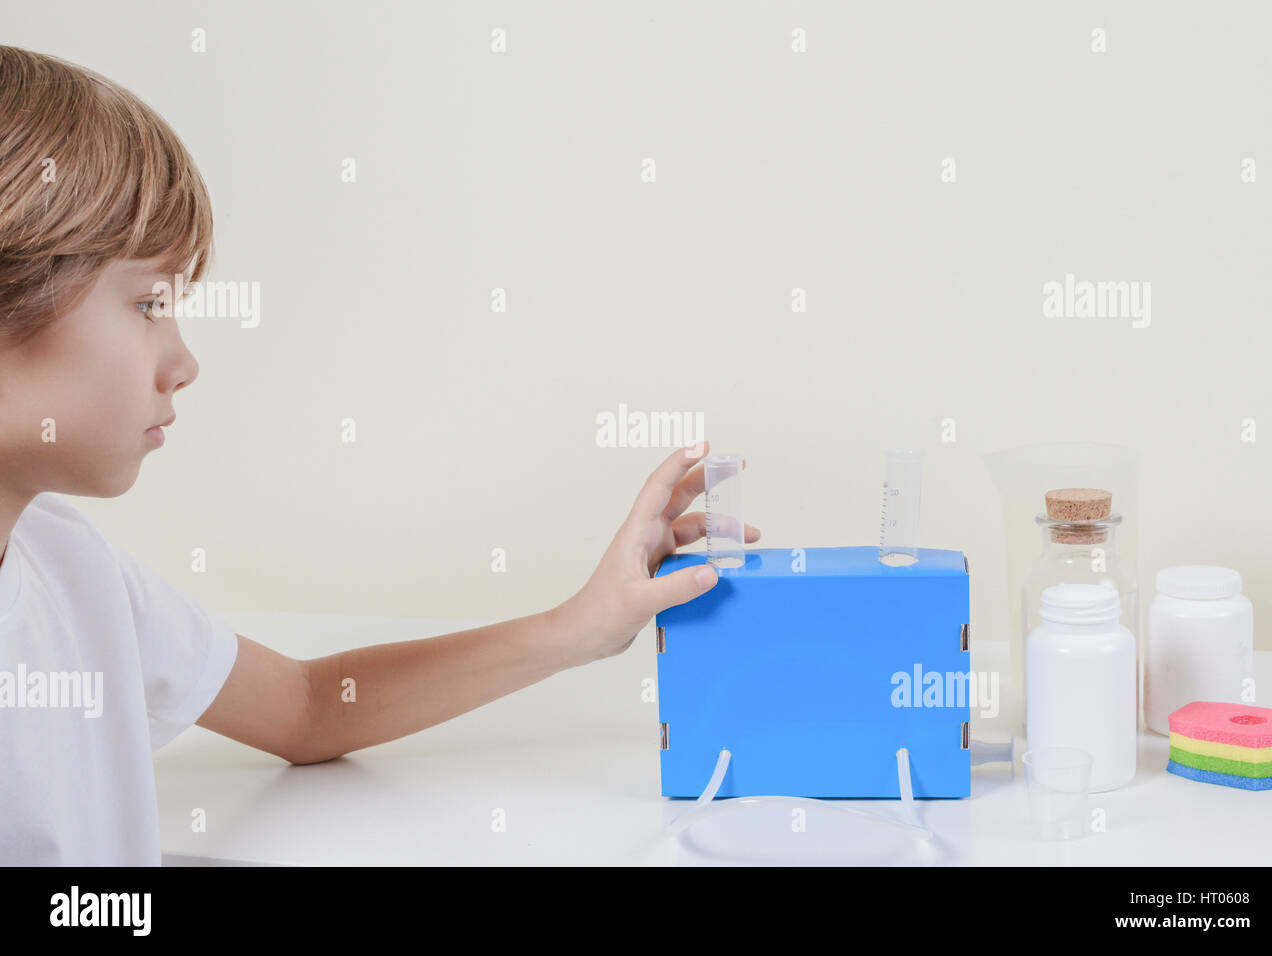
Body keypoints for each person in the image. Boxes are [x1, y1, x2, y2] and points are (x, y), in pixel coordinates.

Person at [0, 45, 759, 865]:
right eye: (149, 304)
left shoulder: (67, 569)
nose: (183, 364)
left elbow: (308, 707)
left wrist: (582, 626)